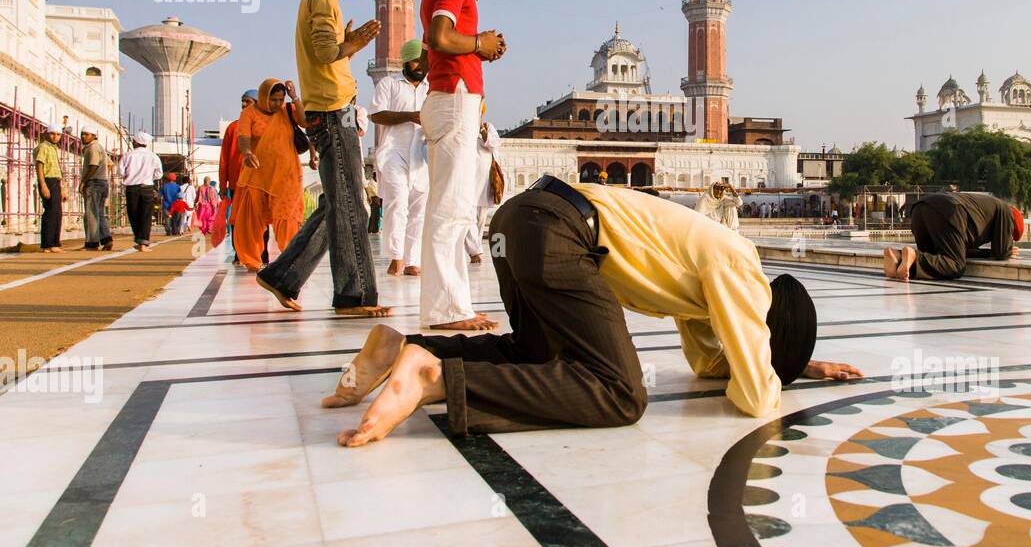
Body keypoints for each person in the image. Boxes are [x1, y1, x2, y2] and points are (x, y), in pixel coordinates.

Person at [325, 177, 864, 445]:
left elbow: (708, 364)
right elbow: (753, 397)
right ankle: (436, 376)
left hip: (518, 221)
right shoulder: (743, 271)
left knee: (534, 353)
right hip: (558, 230)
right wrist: (777, 379)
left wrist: (797, 363)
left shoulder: (714, 285)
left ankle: (400, 351)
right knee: (622, 394)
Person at [255, 0, 390, 317]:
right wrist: (353, 44)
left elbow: (327, 50)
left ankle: (282, 275)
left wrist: (347, 42)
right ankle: (354, 294)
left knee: (339, 202)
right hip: (332, 113)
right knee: (352, 205)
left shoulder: (319, 0)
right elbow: (325, 51)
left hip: (334, 109)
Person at [416, 0, 507, 331]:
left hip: (449, 96)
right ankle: (445, 311)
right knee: (451, 210)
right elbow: (438, 37)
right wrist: (479, 44)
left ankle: (454, 306)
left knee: (450, 208)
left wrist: (476, 47)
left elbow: (429, 46)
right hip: (455, 99)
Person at [368, 38, 429, 276]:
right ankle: (396, 257)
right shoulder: (389, 84)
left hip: (420, 155)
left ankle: (412, 260)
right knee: (398, 203)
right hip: (394, 152)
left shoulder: (430, 88)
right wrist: (408, 116)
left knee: (418, 207)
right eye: (415, 61)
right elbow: (376, 115)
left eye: (423, 61)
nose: (420, 66)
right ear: (405, 61)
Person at [233, 79, 307, 272]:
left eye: (280, 99)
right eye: (273, 99)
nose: (277, 103)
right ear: (264, 97)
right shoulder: (249, 113)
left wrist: (294, 97)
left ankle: (290, 259)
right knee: (252, 221)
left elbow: (305, 122)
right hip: (257, 176)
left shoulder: (286, 109)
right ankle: (252, 260)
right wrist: (247, 153)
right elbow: (243, 138)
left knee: (287, 219)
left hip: (287, 176)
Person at [883, 192, 1024, 281]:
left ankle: (898, 258)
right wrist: (1008, 250)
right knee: (955, 266)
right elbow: (1001, 253)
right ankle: (913, 255)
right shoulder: (1005, 210)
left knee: (933, 257)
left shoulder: (987, 209)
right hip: (950, 210)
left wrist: (986, 253)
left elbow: (962, 250)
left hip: (920, 208)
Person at [219, 90, 257, 260]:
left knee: (258, 220)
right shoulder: (232, 128)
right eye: (242, 101)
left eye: (247, 101)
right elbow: (224, 159)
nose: (243, 105)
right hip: (237, 183)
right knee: (237, 220)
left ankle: (259, 254)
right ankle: (239, 254)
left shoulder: (264, 126)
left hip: (257, 182)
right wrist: (222, 185)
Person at [118, 131, 163, 251]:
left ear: (136, 142)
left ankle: (139, 238)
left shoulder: (128, 156)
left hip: (132, 188)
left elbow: (120, 172)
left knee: (133, 214)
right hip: (147, 188)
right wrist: (148, 177)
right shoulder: (153, 156)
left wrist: (131, 175)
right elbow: (159, 174)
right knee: (146, 215)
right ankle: (143, 242)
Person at [465, 120, 502, 264]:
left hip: (485, 183)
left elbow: (494, 143)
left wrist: (483, 130)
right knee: (468, 217)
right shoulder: (463, 123)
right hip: (467, 180)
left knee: (480, 219)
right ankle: (475, 252)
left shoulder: (488, 126)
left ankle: (476, 248)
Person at [79, 127, 112, 251]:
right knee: (99, 213)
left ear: (94, 136)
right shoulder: (100, 147)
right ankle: (106, 239)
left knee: (91, 214)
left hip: (94, 184)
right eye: (82, 134)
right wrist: (103, 174)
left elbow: (93, 166)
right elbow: (109, 164)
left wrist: (83, 181)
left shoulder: (92, 148)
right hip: (102, 182)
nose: (84, 137)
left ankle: (92, 243)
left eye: (87, 135)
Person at [34, 125, 64, 253]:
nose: (55, 137)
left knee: (56, 212)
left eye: (58, 134)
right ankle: (49, 244)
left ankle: (52, 243)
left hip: (55, 181)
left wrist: (61, 187)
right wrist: (43, 185)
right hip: (48, 180)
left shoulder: (54, 148)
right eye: (52, 134)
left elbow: (57, 170)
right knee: (51, 212)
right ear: (47, 134)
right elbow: (39, 166)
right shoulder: (44, 147)